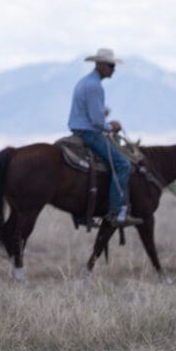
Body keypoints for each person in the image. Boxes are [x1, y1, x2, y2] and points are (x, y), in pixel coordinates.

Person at [68, 47, 131, 226]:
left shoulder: (84, 82)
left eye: (113, 66)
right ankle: (117, 211)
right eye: (111, 66)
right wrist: (112, 125)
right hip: (90, 134)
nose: (113, 69)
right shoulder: (95, 86)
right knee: (123, 164)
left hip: (78, 130)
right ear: (100, 65)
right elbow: (96, 121)